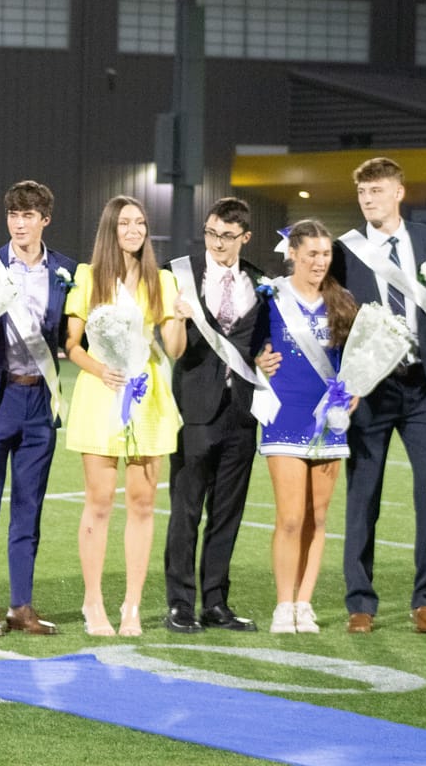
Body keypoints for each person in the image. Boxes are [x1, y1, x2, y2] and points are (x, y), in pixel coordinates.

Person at [332, 157, 426, 635]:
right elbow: (335, 320)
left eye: (377, 191)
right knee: (363, 495)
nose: (369, 200)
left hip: (424, 388)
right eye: (363, 193)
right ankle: (360, 602)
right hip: (370, 390)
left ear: (398, 193)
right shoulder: (346, 250)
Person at [64, 196, 189, 636]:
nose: (133, 230)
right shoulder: (88, 277)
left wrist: (179, 319)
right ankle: (93, 603)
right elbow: (72, 345)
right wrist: (103, 370)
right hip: (102, 395)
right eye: (125, 223)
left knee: (142, 503)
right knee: (99, 503)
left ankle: (132, 606)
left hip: (148, 396)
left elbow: (174, 348)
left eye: (139, 222)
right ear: (110, 229)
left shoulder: (164, 280)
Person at [0, 180, 77, 636]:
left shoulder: (67, 270)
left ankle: (21, 605)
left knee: (29, 508)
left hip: (39, 400)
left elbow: (74, 336)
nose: (19, 223)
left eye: (29, 215)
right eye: (13, 214)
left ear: (45, 219)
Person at [162, 198, 266, 634]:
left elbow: (263, 344)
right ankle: (180, 605)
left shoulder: (262, 282)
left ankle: (216, 603)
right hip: (194, 410)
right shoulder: (178, 274)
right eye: (210, 233)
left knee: (228, 513)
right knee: (185, 510)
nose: (217, 243)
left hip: (243, 412)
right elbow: (170, 345)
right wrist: (176, 317)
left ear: (244, 236)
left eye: (226, 235)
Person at [254, 219, 358, 633]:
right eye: (312, 254)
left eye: (326, 254)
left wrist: (356, 393)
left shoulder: (342, 300)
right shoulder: (270, 296)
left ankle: (304, 603)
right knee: (291, 517)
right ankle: (283, 604)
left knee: (318, 517)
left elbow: (356, 361)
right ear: (293, 253)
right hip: (285, 414)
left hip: (329, 419)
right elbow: (249, 345)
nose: (320, 262)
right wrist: (258, 360)